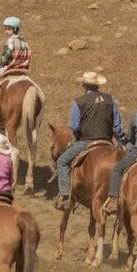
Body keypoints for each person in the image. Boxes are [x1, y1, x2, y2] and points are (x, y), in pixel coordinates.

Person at [52, 71, 125, 200]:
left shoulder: (79, 102)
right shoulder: (110, 99)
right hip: (108, 141)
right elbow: (118, 125)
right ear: (98, 86)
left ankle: (64, 194)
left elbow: (75, 127)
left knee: (62, 161)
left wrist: (78, 135)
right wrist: (121, 140)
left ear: (84, 85)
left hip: (86, 142)